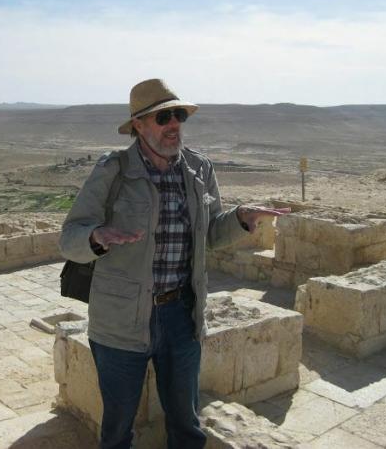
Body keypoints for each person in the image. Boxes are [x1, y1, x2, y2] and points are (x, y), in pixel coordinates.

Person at [59, 78, 289, 449]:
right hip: (120, 320)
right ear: (138, 124)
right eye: (163, 117)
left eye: (179, 115)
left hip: (181, 315)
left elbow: (211, 233)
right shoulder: (113, 170)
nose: (174, 125)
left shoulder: (199, 169)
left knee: (186, 424)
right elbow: (70, 237)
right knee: (117, 429)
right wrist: (97, 237)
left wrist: (242, 218)